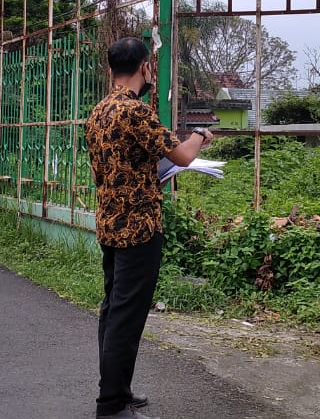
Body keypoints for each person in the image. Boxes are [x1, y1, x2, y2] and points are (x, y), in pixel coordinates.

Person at [85, 37, 214, 419]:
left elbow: (116, 168)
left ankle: (117, 391)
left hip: (109, 221)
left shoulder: (98, 112)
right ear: (145, 68)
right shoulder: (134, 112)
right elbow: (183, 155)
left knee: (113, 308)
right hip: (139, 226)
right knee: (127, 313)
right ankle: (111, 405)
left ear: (110, 70)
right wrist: (200, 136)